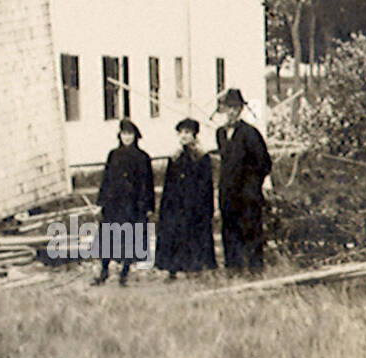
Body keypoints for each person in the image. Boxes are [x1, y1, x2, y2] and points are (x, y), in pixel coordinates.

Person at [213, 88, 272, 272]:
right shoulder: (220, 134)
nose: (231, 112)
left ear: (240, 110)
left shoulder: (250, 133)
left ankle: (255, 270)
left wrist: (251, 185)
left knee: (251, 231)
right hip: (228, 193)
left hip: (247, 195)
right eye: (228, 107)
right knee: (229, 231)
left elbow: (264, 163)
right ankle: (233, 269)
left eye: (235, 108)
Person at [93, 118, 154, 286]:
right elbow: (106, 180)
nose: (127, 137)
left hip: (133, 205)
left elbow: (147, 183)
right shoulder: (113, 155)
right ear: (119, 136)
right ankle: (104, 272)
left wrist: (148, 206)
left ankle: (124, 274)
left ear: (135, 137)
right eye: (124, 134)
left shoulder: (142, 157)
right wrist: (100, 202)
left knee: (130, 239)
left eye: (130, 134)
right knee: (108, 237)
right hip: (113, 204)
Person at [154, 118, 217, 279]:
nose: (184, 136)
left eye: (187, 132)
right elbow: (169, 184)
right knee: (174, 234)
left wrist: (206, 207)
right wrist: (165, 206)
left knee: (194, 236)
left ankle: (195, 269)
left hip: (195, 205)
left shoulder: (201, 158)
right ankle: (173, 269)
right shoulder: (175, 157)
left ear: (194, 135)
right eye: (181, 132)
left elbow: (206, 185)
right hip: (176, 204)